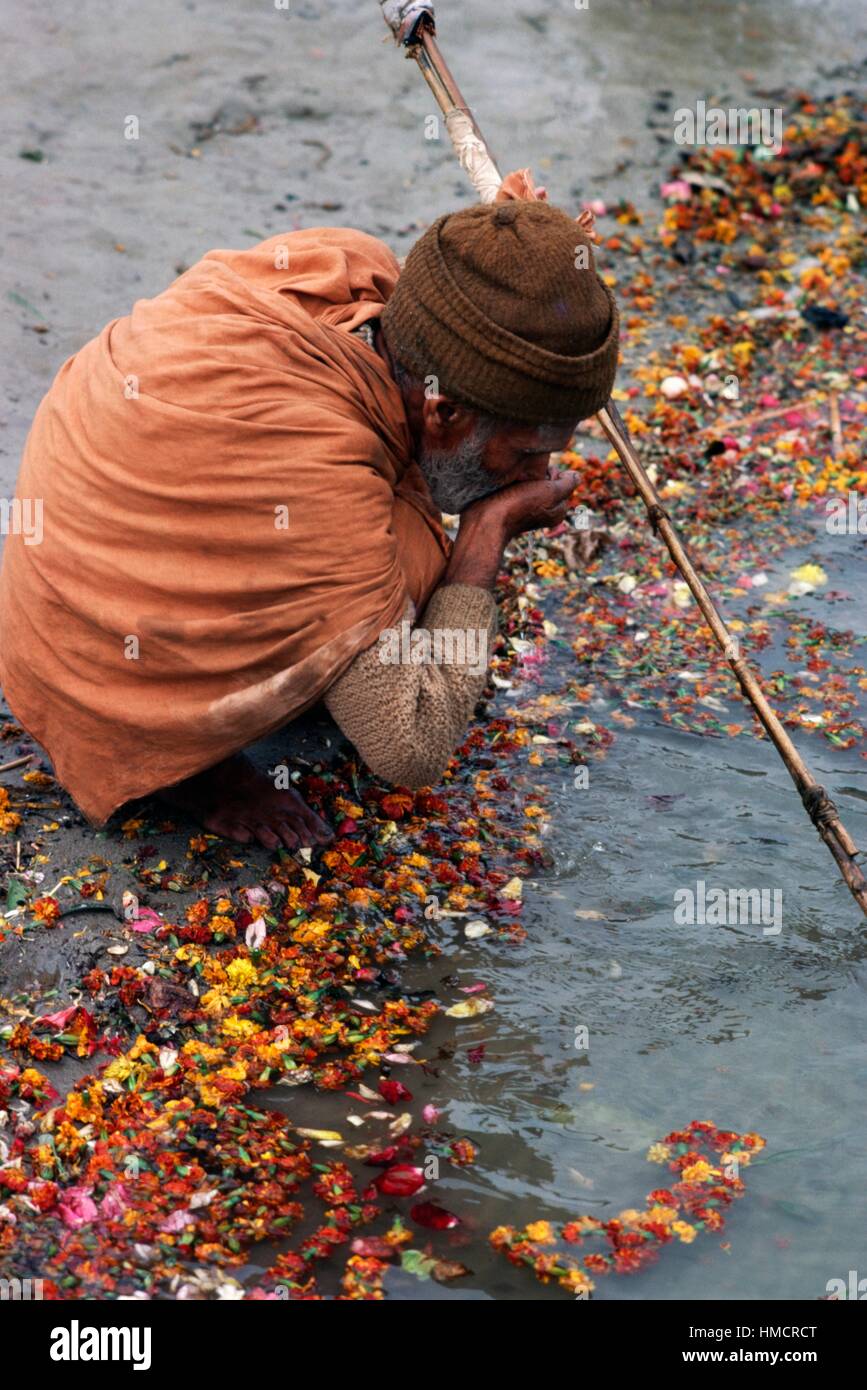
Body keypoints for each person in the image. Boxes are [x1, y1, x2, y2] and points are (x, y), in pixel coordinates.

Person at [0, 173, 619, 849]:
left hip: (92, 537)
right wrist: (484, 535)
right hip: (96, 665)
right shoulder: (316, 476)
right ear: (443, 411)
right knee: (414, 555)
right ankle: (186, 771)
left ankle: (317, 639)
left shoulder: (346, 273)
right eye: (527, 453)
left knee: (392, 546)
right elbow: (409, 748)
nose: (542, 477)